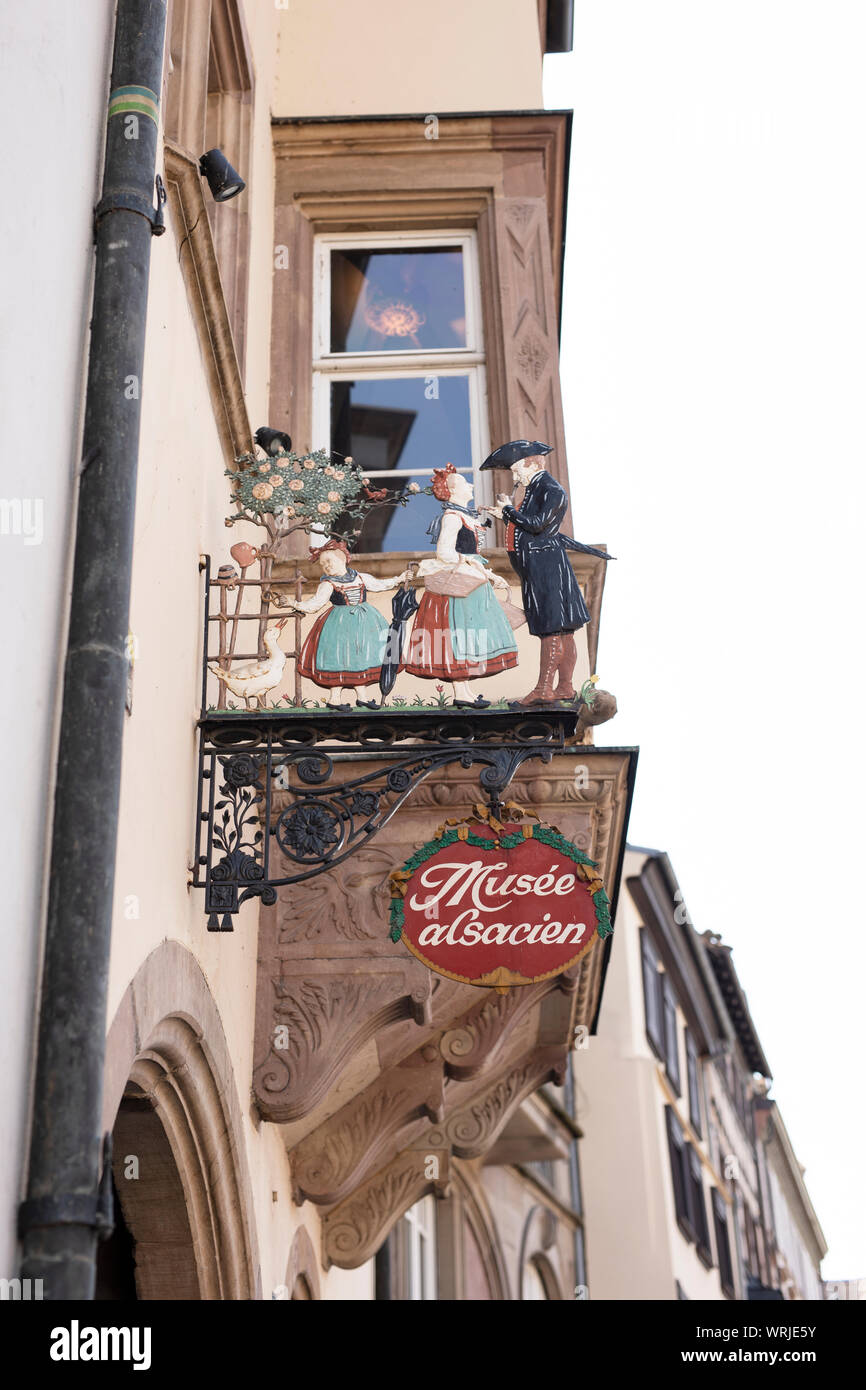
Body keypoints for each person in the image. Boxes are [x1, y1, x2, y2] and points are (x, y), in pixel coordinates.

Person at [482, 440, 611, 707]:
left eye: (517, 469)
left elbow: (538, 525)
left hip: (546, 567)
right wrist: (506, 516)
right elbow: (529, 526)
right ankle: (563, 686)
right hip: (540, 565)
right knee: (562, 629)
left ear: (531, 463)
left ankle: (546, 688)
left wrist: (509, 510)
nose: (515, 475)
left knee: (553, 628)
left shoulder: (550, 490)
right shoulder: (535, 488)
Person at [404, 464, 518, 708]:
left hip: (473, 582)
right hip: (460, 586)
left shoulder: (465, 515)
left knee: (470, 636)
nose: (472, 485)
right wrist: (473, 565)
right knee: (461, 635)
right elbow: (444, 552)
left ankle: (465, 689)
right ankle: (460, 690)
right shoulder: (452, 517)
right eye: (465, 483)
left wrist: (487, 574)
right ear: (453, 490)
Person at [286, 539, 409, 709]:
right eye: (323, 564)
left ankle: (362, 697)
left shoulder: (360, 577)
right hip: (339, 625)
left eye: (329, 561)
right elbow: (315, 603)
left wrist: (399, 579)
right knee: (339, 658)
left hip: (366, 623)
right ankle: (334, 699)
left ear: (343, 558)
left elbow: (380, 584)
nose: (327, 566)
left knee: (361, 657)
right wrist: (294, 604)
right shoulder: (328, 584)